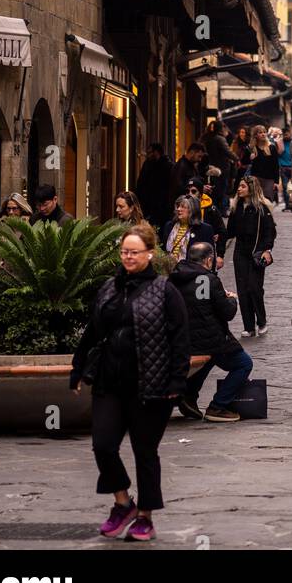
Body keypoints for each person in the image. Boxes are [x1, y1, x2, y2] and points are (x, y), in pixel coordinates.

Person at [70, 222, 190, 543]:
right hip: (110, 381)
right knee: (103, 445)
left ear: (150, 253)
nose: (128, 257)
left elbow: (180, 338)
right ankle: (123, 503)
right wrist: (78, 367)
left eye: (134, 252)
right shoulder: (109, 287)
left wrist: (178, 382)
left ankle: (145, 517)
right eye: (124, 251)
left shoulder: (166, 290)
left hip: (151, 385)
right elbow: (92, 332)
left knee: (144, 451)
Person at [169, 242, 253, 423]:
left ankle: (189, 396)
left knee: (208, 359)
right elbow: (227, 313)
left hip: (185, 338)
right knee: (243, 363)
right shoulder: (209, 279)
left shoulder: (175, 277)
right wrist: (231, 299)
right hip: (211, 337)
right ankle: (218, 405)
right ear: (208, 260)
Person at [227, 175, 276, 337]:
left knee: (254, 288)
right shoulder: (237, 207)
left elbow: (270, 231)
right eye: (239, 187)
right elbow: (230, 231)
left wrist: (267, 249)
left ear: (251, 188)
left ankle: (261, 321)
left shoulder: (262, 208)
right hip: (240, 252)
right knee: (242, 290)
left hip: (256, 252)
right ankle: (249, 326)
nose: (239, 189)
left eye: (242, 186)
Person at [161, 195, 220, 267]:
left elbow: (210, 256)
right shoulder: (169, 226)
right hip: (169, 272)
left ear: (192, 210)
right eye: (178, 206)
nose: (179, 209)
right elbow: (163, 250)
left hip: (191, 273)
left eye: (183, 207)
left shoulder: (205, 229)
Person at [135, 143, 176, 229]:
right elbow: (141, 185)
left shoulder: (168, 166)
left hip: (162, 207)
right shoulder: (148, 164)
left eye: (150, 152)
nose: (148, 155)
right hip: (149, 206)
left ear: (156, 152)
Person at [251, 126, 281, 205]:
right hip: (255, 179)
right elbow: (243, 162)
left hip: (269, 179)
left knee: (267, 201)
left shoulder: (272, 147)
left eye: (264, 132)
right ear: (255, 135)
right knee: (256, 202)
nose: (263, 134)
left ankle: (266, 217)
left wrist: (276, 181)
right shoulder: (252, 148)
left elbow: (276, 165)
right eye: (260, 132)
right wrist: (249, 158)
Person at [279, 125, 292, 209]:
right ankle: (287, 205)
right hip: (283, 167)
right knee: (285, 187)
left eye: (287, 134)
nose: (286, 136)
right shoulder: (279, 143)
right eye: (284, 134)